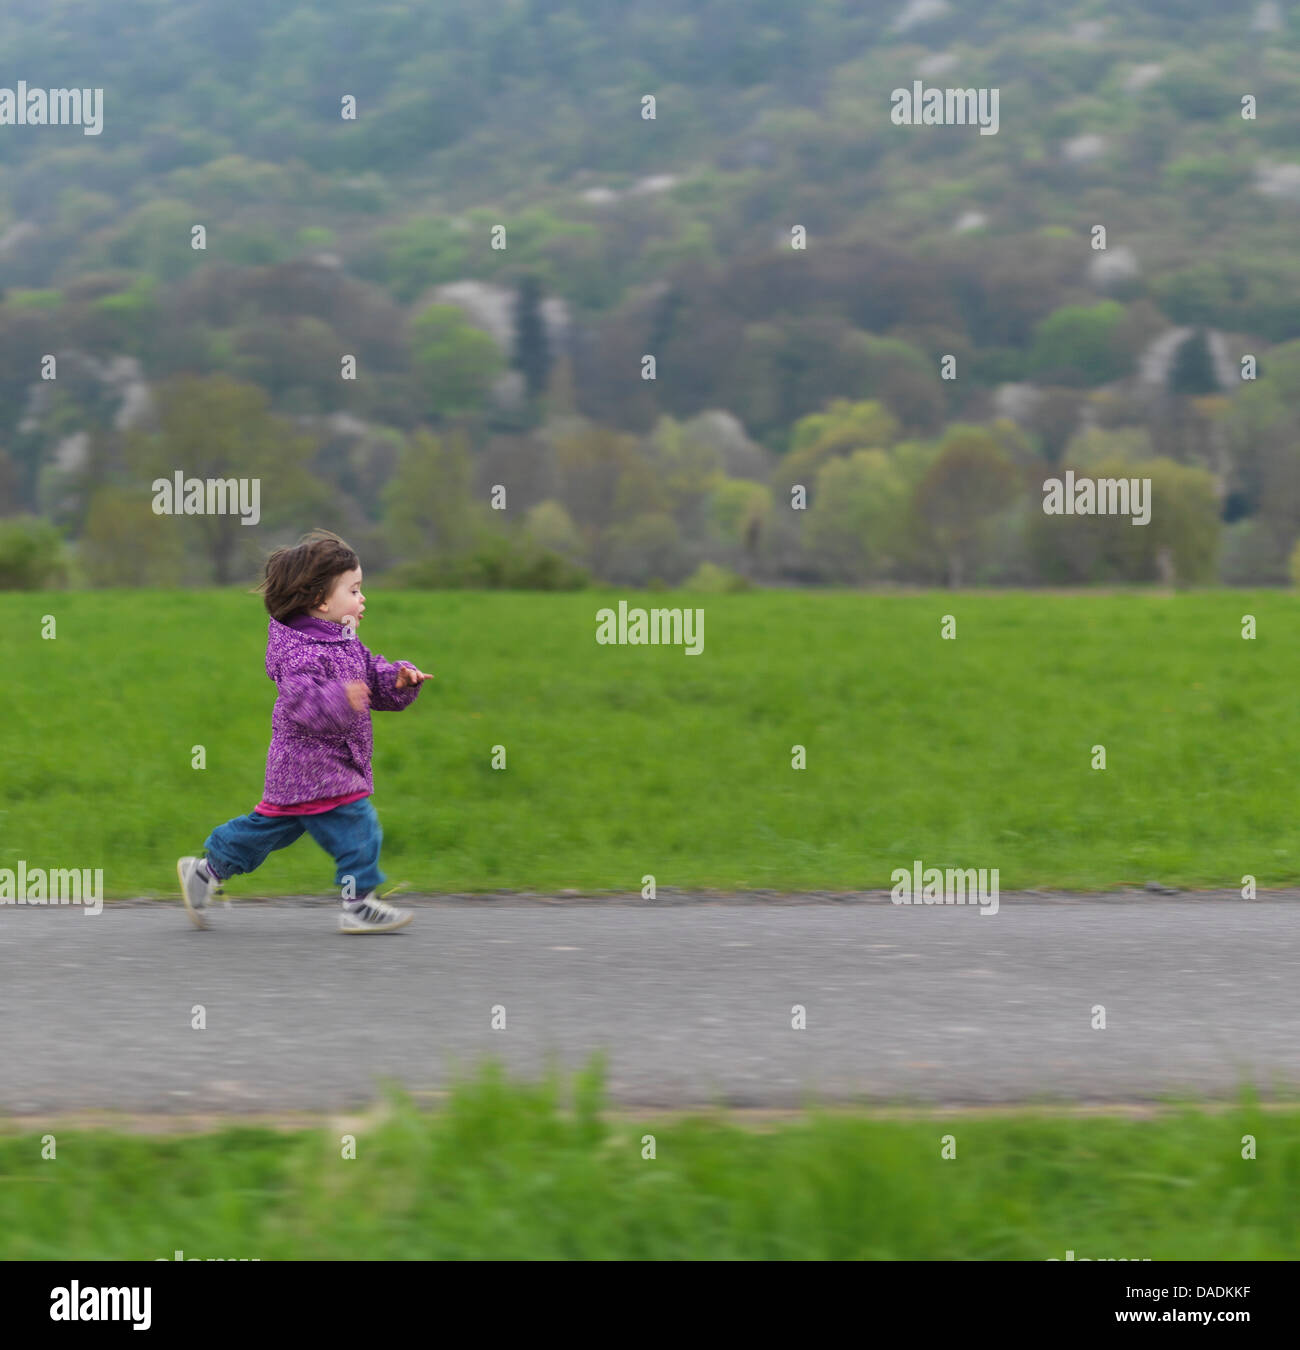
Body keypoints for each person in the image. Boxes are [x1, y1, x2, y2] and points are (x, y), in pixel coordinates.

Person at [177, 528, 431, 933]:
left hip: (313, 770)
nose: (363, 598)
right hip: (313, 765)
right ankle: (359, 904)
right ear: (321, 601)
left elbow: (370, 674)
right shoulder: (298, 652)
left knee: (266, 832)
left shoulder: (345, 641)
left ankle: (206, 872)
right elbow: (300, 702)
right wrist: (341, 699)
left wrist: (396, 679)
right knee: (358, 824)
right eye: (354, 590)